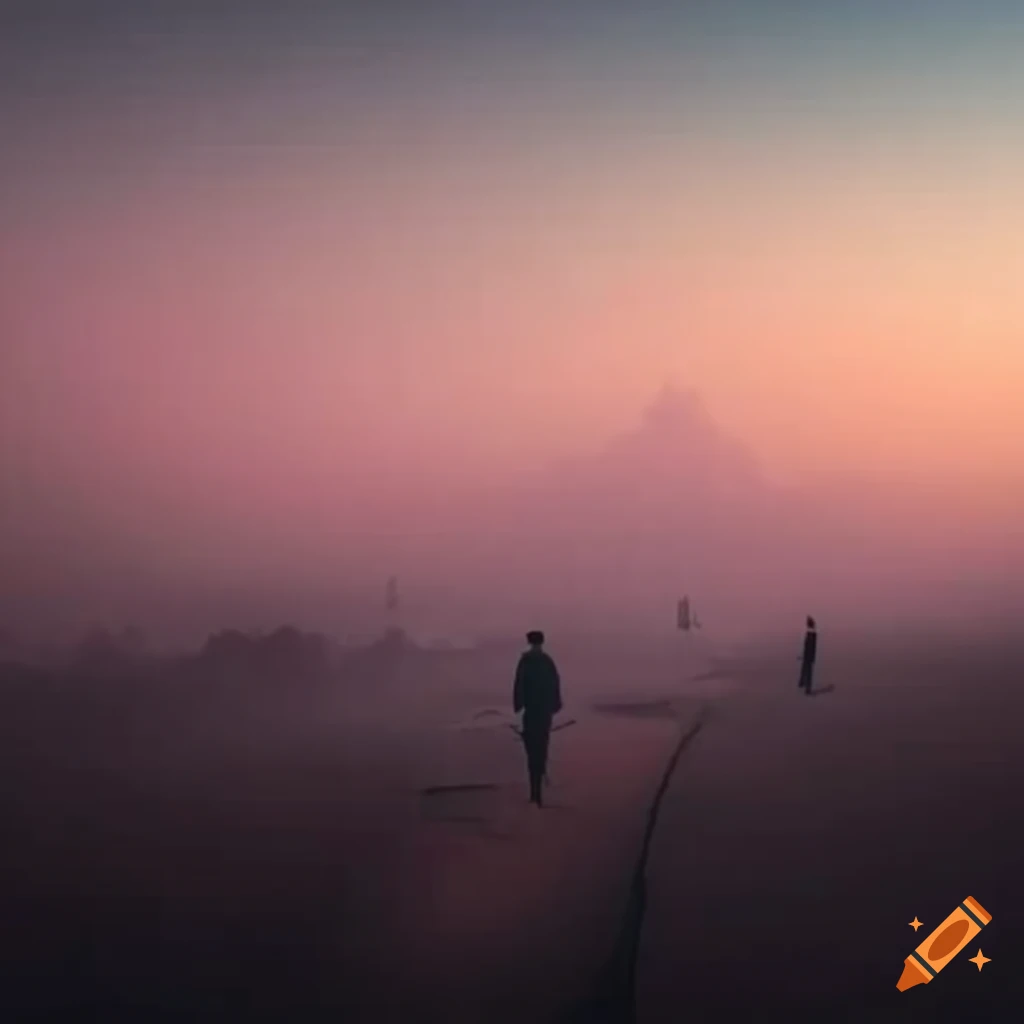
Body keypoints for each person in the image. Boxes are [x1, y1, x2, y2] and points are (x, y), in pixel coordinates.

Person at [513, 630, 562, 806]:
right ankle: (538, 786)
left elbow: (519, 683)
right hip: (543, 711)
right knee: (541, 747)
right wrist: (555, 705)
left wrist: (518, 705)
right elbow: (555, 683)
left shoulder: (526, 661)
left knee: (531, 749)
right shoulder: (547, 661)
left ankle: (535, 789)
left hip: (532, 711)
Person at [799, 616, 818, 693]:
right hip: (808, 655)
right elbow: (810, 647)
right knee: (805, 669)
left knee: (807, 670)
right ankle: (803, 683)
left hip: (808, 655)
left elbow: (809, 646)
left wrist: (807, 655)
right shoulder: (812, 633)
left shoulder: (811, 634)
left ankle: (806, 687)